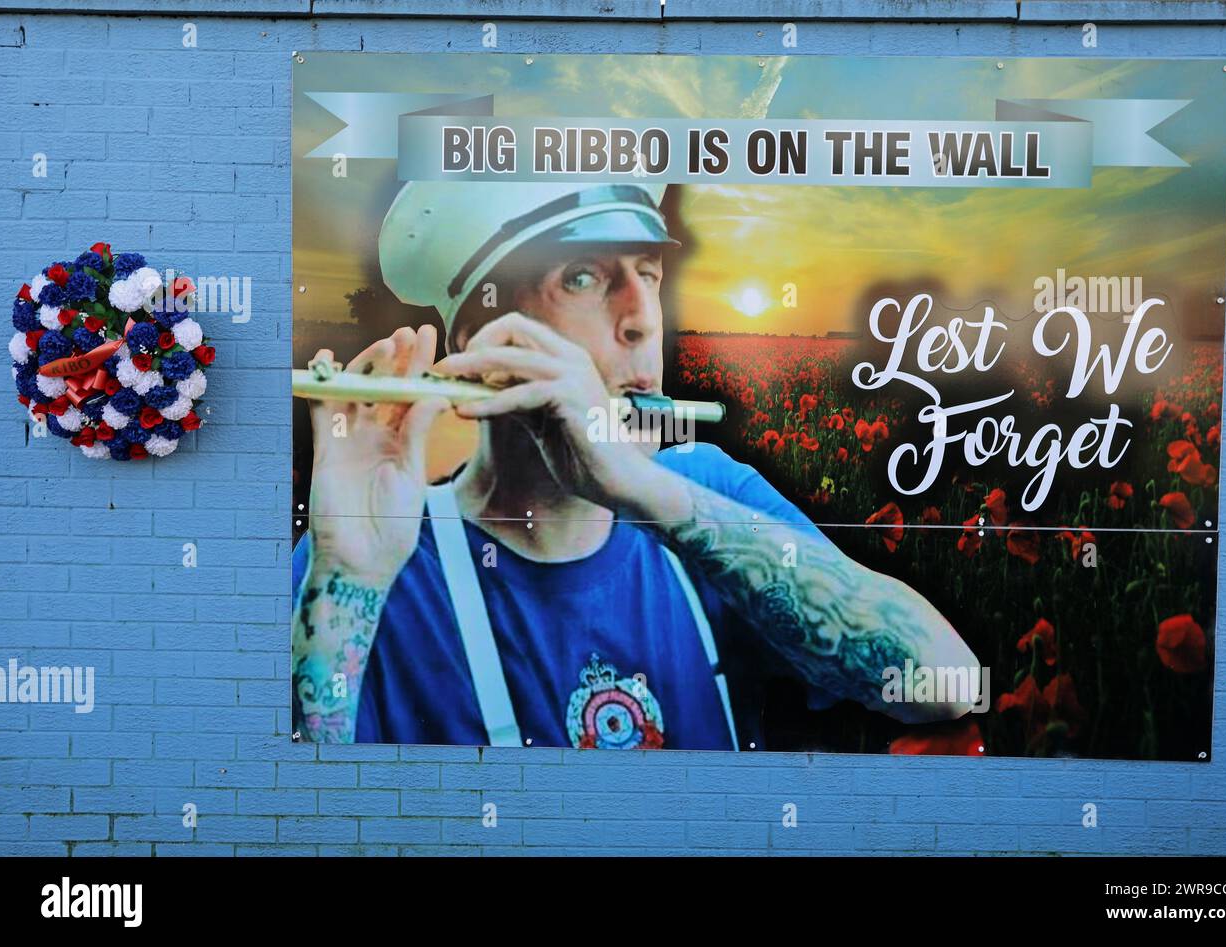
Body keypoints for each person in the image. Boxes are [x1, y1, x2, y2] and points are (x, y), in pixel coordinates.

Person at [291, 181, 980, 748]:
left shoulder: (707, 488)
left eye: (648, 275)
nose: (643, 318)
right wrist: (348, 577)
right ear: (480, 339)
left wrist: (644, 490)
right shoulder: (374, 542)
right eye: (584, 276)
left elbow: (947, 686)